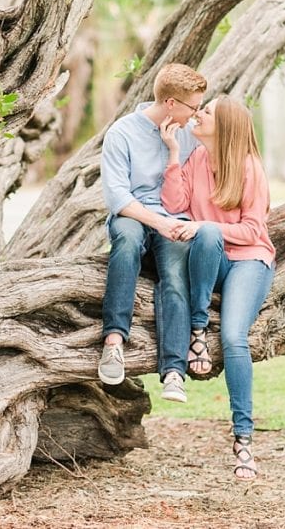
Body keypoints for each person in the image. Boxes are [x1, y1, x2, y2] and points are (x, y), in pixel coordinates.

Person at [159, 95, 276, 480]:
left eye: (206, 111)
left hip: (248, 260)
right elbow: (174, 203)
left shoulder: (248, 167)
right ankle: (196, 329)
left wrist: (204, 227)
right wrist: (174, 154)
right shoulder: (196, 159)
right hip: (212, 258)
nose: (199, 113)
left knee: (233, 338)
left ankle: (243, 439)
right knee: (206, 237)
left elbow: (252, 230)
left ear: (223, 126)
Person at [97, 63, 207, 404]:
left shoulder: (190, 135)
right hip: (134, 217)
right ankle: (113, 343)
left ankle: (174, 370)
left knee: (175, 273)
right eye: (193, 107)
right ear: (171, 103)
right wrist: (158, 223)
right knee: (128, 239)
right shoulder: (122, 133)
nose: (197, 114)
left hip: (173, 222)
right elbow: (118, 198)